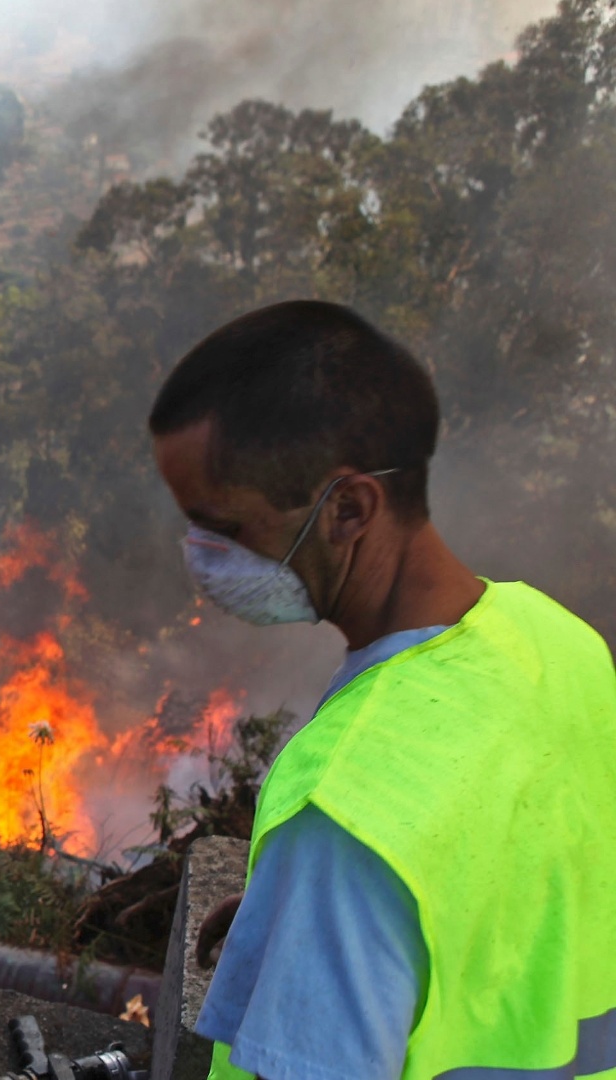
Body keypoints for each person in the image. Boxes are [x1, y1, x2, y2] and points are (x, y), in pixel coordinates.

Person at [147, 300, 616, 1080]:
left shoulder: (343, 814)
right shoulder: (561, 641)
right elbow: (534, 865)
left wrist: (333, 891)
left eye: (225, 529)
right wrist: (325, 924)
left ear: (349, 509)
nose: (203, 562)